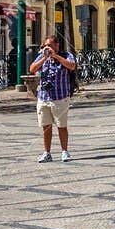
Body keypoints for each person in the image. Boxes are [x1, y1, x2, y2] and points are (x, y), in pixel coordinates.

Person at [30, 33, 76, 162]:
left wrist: (55, 56)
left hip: (60, 97)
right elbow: (32, 68)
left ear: (57, 45)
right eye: (45, 46)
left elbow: (72, 66)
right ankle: (47, 153)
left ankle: (65, 151)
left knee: (61, 126)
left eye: (50, 45)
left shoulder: (67, 55)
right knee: (46, 126)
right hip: (44, 97)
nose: (47, 48)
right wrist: (44, 58)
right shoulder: (42, 56)